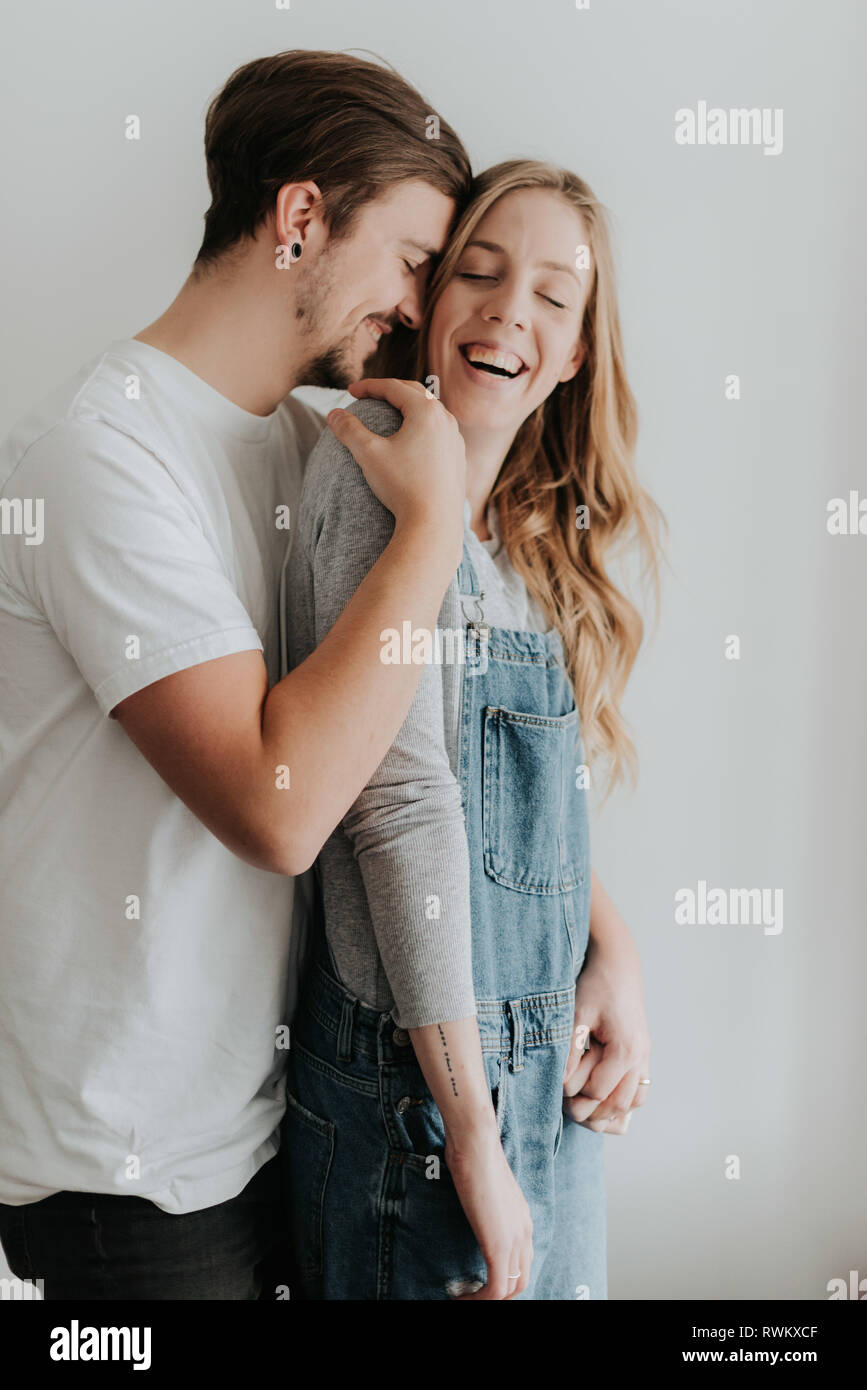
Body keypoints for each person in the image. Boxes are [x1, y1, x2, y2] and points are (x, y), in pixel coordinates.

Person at [0, 49, 472, 1300]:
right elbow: (279, 805)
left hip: (281, 1121)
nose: (420, 311)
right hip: (129, 1176)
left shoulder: (313, 449)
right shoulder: (96, 458)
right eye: (417, 261)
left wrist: (607, 946)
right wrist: (431, 530)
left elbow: (413, 755)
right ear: (301, 217)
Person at [284, 159, 663, 1300]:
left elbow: (531, 812)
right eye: (482, 274)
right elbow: (397, 812)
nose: (509, 311)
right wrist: (475, 1145)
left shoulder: (520, 538)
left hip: (540, 1088)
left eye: (554, 294)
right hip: (420, 1111)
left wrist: (618, 956)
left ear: (581, 349)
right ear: (432, 299)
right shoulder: (375, 460)